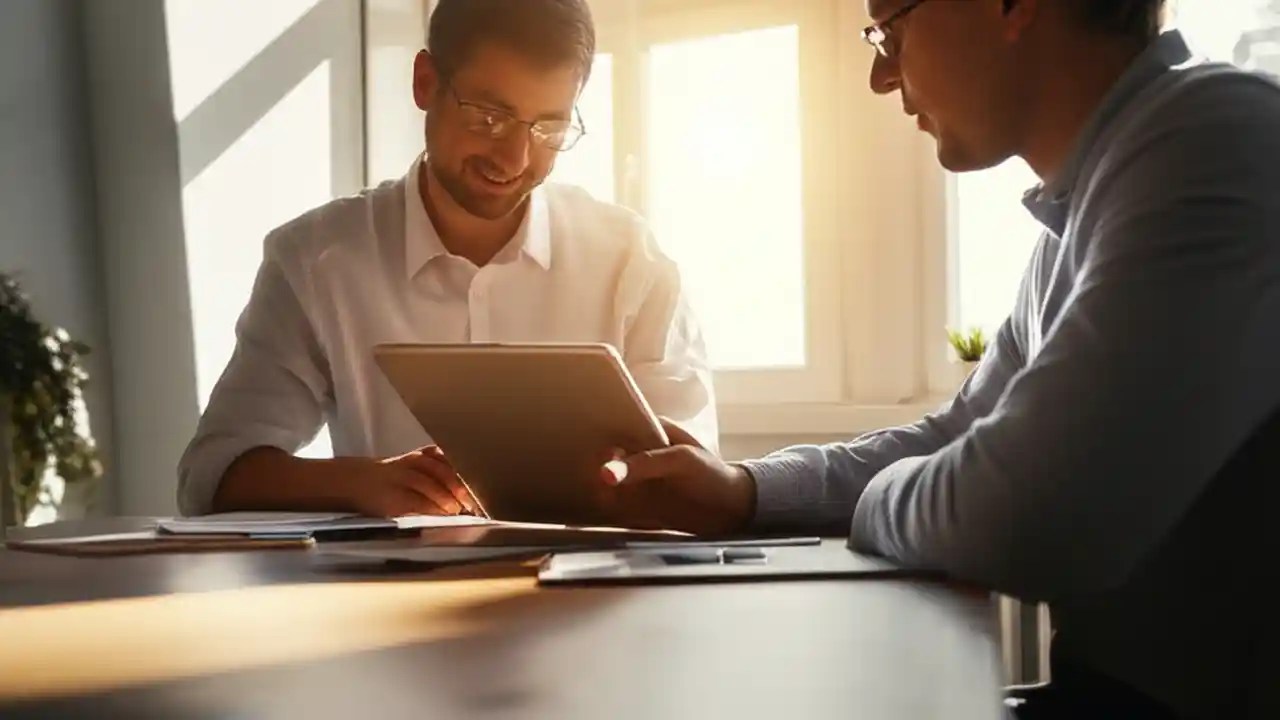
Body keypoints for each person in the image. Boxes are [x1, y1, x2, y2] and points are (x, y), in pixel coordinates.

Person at [602, 1, 1280, 717]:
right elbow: (959, 434)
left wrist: (878, 498)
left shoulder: (1215, 137)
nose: (880, 76)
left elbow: (1021, 516)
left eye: (891, 30)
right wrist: (744, 490)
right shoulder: (1081, 214)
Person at [177, 0, 717, 520]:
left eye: (548, 129)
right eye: (490, 117)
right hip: (391, 581)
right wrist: (359, 482)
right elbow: (211, 475)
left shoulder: (629, 260)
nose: (515, 159)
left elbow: (696, 482)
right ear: (425, 83)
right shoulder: (316, 261)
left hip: (598, 579)